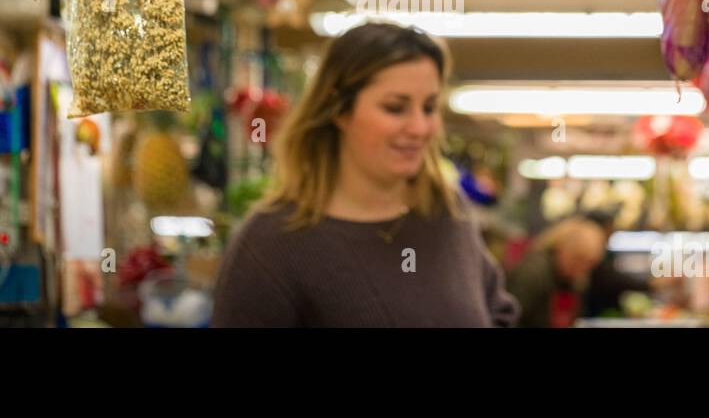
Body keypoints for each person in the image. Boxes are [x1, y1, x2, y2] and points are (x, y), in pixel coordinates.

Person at [211, 23, 518, 327]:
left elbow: (499, 313)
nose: (419, 128)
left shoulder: (448, 212)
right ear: (340, 110)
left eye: (429, 107)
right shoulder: (271, 245)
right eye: (395, 108)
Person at [507, 216, 608, 328]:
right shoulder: (533, 273)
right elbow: (511, 318)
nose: (583, 268)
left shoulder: (576, 279)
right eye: (578, 258)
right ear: (560, 248)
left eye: (590, 263)